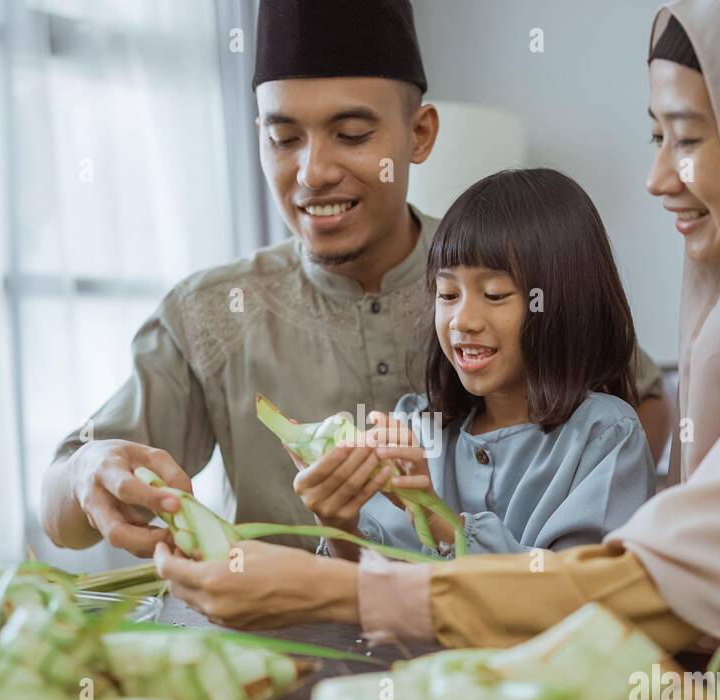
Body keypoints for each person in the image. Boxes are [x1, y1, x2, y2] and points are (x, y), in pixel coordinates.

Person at [156, 0, 720, 687]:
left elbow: (649, 588)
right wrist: (352, 536)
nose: (657, 177)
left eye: (688, 139)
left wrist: (329, 589)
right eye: (658, 135)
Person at [40, 0, 668, 560]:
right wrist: (87, 472)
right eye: (283, 138)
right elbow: (61, 517)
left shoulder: (512, 263)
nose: (313, 173)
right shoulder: (209, 312)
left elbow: (635, 402)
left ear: (418, 134)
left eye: (352, 135)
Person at [299, 168, 653, 560]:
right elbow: (363, 590)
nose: (462, 321)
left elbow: (578, 594)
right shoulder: (416, 427)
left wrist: (436, 518)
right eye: (448, 294)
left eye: (495, 294)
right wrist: (337, 521)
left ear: (561, 303)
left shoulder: (604, 436)